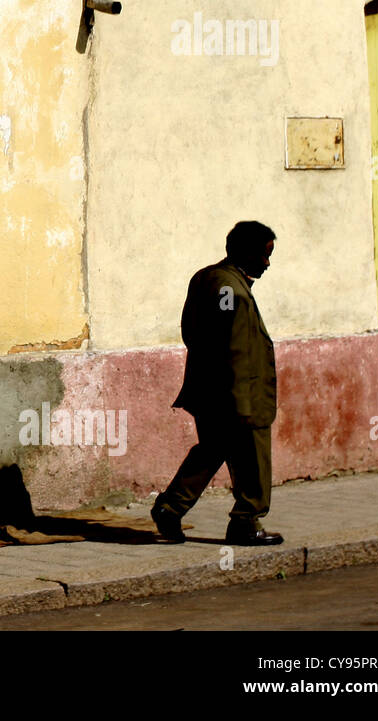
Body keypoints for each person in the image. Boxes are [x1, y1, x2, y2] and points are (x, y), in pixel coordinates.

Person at [151, 221, 282, 546]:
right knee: (253, 461)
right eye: (265, 255)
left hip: (206, 390)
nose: (268, 263)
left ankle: (171, 507)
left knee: (211, 451)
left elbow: (192, 332)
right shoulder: (232, 291)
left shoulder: (207, 278)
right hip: (239, 395)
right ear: (247, 252)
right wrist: (241, 404)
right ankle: (246, 522)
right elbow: (233, 349)